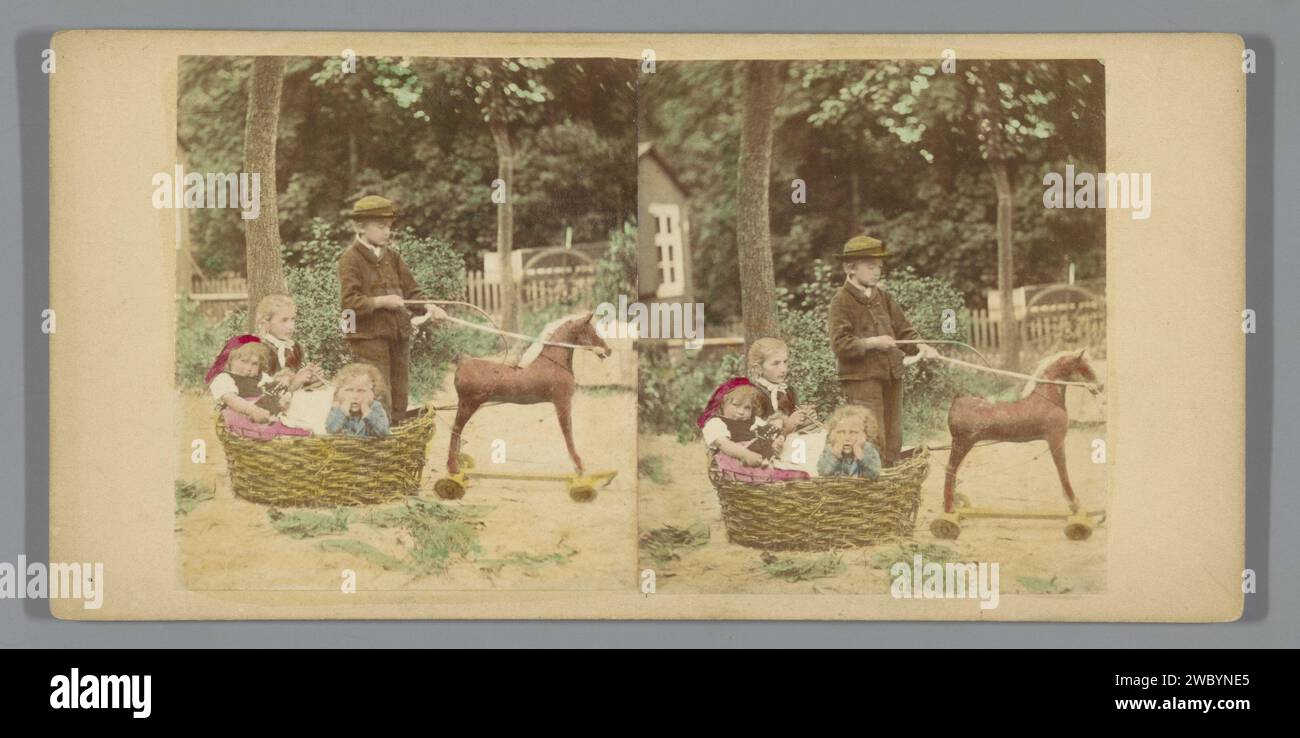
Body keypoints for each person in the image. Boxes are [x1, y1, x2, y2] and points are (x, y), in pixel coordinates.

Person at [827, 235, 938, 465]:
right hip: (861, 380)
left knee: (893, 437)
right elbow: (840, 344)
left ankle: (890, 486)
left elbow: (905, 331)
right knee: (870, 437)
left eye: (879, 266)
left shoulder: (884, 297)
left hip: (891, 375)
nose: (877, 271)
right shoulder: (841, 301)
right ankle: (871, 491)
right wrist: (872, 342)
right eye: (870, 266)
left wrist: (921, 346)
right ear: (850, 268)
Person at [338, 195, 446, 423]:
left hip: (398, 335)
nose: (387, 232)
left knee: (400, 393)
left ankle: (397, 439)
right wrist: (381, 302)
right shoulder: (350, 259)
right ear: (360, 227)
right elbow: (349, 303)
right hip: (369, 339)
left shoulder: (393, 257)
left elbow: (412, 292)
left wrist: (428, 307)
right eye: (381, 226)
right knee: (379, 394)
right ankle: (379, 445)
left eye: (389, 226)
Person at [697, 378, 809, 483]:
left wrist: (775, 442)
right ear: (722, 403)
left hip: (760, 462)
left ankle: (776, 476)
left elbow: (768, 437)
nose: (741, 412)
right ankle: (770, 478)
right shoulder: (716, 422)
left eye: (747, 408)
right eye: (736, 405)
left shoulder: (755, 421)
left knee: (776, 434)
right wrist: (745, 454)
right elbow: (723, 443)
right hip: (736, 466)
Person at [254, 293, 333, 435]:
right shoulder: (261, 351)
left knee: (330, 396)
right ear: (266, 324)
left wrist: (311, 378)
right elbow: (263, 395)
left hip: (297, 398)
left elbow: (301, 379)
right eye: (284, 321)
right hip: (277, 408)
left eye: (293, 320)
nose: (290, 326)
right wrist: (295, 383)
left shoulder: (295, 347)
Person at [208, 342, 311, 440]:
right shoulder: (224, 378)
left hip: (264, 414)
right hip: (240, 414)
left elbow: (276, 391)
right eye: (244, 361)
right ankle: (275, 432)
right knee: (264, 429)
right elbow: (232, 399)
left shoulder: (262, 377)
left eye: (255, 364)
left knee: (291, 415)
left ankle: (283, 430)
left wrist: (288, 384)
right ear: (230, 360)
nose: (248, 368)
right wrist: (253, 410)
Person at [745, 337, 817, 434]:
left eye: (785, 362)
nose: (783, 369)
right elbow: (758, 434)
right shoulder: (754, 395)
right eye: (776, 363)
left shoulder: (788, 391)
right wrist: (789, 425)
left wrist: (804, 419)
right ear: (758, 368)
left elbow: (794, 423)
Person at [816, 405, 883, 479]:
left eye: (853, 432)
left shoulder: (867, 448)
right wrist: (835, 455)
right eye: (841, 432)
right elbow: (823, 473)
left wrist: (859, 452)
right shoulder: (830, 449)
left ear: (865, 434)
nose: (847, 438)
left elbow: (874, 474)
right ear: (833, 433)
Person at [325, 363, 391, 438]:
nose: (355, 396)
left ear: (372, 393)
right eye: (349, 390)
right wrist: (343, 412)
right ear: (339, 392)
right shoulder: (338, 407)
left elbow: (384, 432)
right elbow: (331, 429)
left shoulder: (375, 407)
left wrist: (367, 412)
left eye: (361, 391)